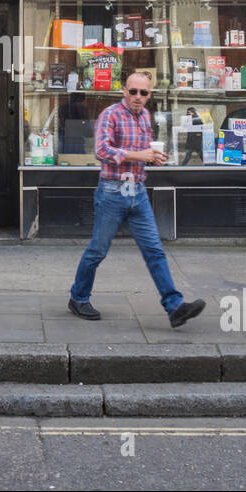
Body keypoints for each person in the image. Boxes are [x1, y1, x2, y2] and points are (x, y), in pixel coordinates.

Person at [68, 71, 206, 328]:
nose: (138, 97)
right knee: (97, 250)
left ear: (149, 95)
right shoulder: (110, 114)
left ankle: (174, 306)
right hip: (112, 190)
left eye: (144, 93)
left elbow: (143, 154)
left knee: (154, 250)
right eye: (133, 91)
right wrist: (139, 156)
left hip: (138, 191)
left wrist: (153, 158)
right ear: (124, 91)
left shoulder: (146, 116)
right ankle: (78, 297)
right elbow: (101, 150)